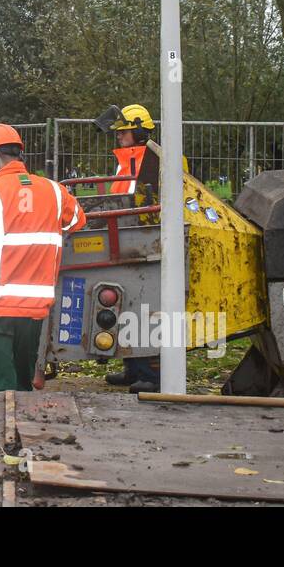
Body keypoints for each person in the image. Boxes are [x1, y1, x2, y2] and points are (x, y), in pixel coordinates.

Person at [0, 124, 86, 395]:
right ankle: (22, 435)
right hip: (33, 314)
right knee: (21, 390)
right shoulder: (55, 193)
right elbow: (78, 221)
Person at [103, 103, 167, 393]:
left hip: (142, 235)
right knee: (126, 301)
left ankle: (152, 375)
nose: (119, 136)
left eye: (124, 131)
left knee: (144, 304)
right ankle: (132, 366)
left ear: (139, 131)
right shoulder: (127, 159)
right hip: (125, 231)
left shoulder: (151, 158)